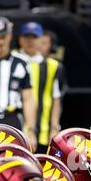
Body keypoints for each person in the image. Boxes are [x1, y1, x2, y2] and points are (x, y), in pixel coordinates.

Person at [19, 21, 64, 152]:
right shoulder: (12, 62)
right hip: (15, 126)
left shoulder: (53, 66)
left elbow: (56, 99)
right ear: (20, 39)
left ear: (41, 40)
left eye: (35, 38)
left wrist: (55, 128)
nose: (30, 41)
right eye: (27, 37)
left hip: (43, 131)